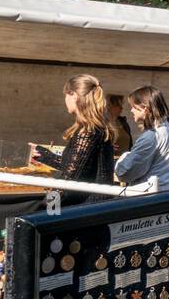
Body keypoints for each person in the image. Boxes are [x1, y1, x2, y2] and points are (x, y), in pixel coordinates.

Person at [40, 74, 115, 204]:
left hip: (88, 207)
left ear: (74, 95)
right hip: (94, 204)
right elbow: (77, 165)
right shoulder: (94, 128)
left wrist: (48, 204)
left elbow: (71, 176)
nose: (65, 100)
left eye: (66, 95)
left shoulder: (88, 131)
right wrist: (43, 155)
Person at [115, 86, 169, 191]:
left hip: (148, 196)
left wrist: (124, 157)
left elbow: (125, 173)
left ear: (145, 108)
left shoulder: (151, 136)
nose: (131, 110)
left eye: (133, 107)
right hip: (164, 190)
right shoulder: (166, 127)